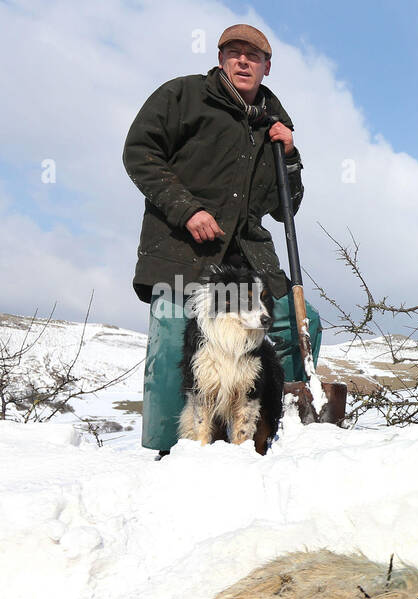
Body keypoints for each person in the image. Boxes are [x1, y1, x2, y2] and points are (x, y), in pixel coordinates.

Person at [123, 23, 321, 456]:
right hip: (182, 254)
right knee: (174, 337)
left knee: (298, 323)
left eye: (253, 56)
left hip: (246, 262)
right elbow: (139, 151)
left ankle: (276, 430)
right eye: (234, 53)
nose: (243, 61)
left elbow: (287, 206)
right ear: (221, 60)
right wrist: (186, 209)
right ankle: (167, 451)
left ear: (267, 66)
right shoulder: (182, 97)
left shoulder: (275, 126)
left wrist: (290, 156)